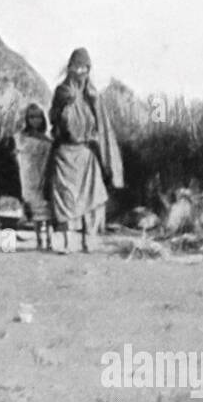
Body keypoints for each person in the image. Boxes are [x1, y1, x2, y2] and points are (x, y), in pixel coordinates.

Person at [45, 48, 123, 253]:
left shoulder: (93, 95)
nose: (80, 71)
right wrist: (65, 105)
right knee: (65, 199)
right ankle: (67, 242)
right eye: (76, 66)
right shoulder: (61, 92)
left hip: (85, 154)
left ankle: (89, 240)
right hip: (64, 154)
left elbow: (102, 127)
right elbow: (53, 118)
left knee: (92, 198)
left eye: (84, 67)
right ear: (69, 67)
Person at [14, 102, 53, 251]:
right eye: (31, 117)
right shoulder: (21, 138)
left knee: (47, 212)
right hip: (29, 178)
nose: (35, 120)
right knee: (35, 212)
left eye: (38, 117)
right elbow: (21, 156)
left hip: (43, 177)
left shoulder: (47, 140)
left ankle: (49, 241)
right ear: (27, 119)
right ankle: (38, 241)